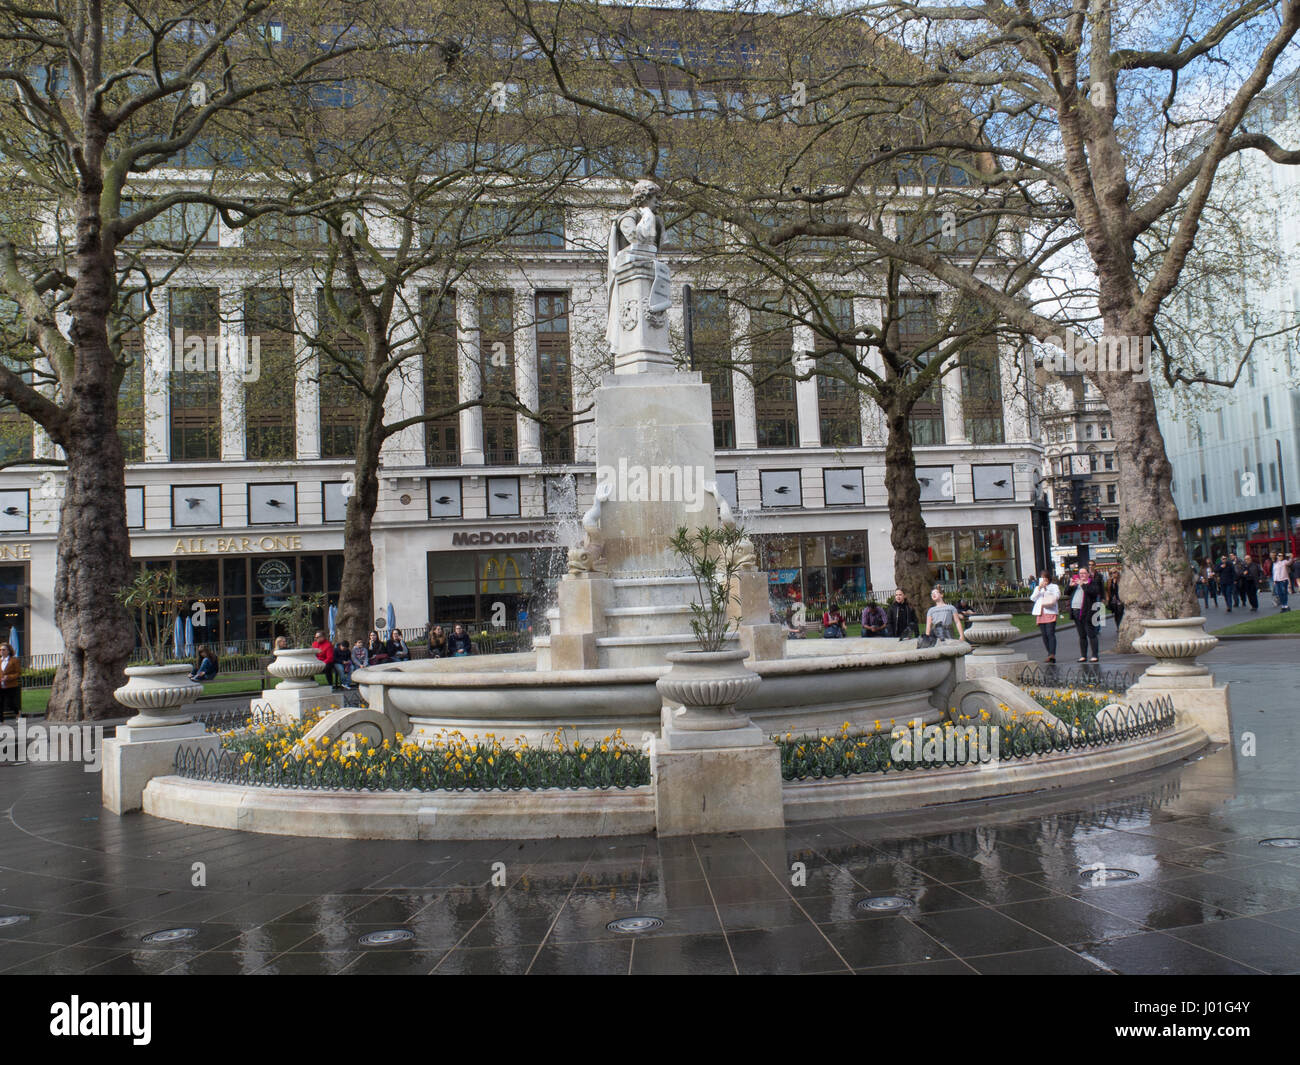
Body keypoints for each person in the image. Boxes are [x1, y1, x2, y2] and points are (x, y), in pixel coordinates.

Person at [1069, 566, 1104, 662]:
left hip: (1087, 612)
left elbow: (1093, 592)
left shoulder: (1092, 583)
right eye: (1080, 573)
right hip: (1076, 610)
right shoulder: (1076, 584)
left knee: (1091, 634)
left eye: (1084, 573)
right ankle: (1083, 655)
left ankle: (1095, 655)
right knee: (1081, 635)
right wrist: (1070, 586)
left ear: (1088, 574)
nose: (1082, 575)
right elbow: (1067, 592)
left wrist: (1083, 585)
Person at [1030, 569, 1061, 663]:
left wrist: (1047, 590)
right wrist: (1039, 588)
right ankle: (1049, 653)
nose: (1044, 579)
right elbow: (1033, 598)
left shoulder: (1054, 586)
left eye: (1045, 577)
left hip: (1050, 612)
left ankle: (1052, 654)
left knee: (1050, 633)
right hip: (1040, 613)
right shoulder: (1038, 588)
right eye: (1042, 577)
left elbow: (1057, 596)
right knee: (1044, 635)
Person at [0, 642, 20, 722]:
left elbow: (18, 673)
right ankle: (1, 721)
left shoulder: (14, 660)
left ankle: (17, 712)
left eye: (3, 649)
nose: (1, 651)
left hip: (11, 685)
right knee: (0, 703)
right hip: (1, 686)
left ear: (8, 651)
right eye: (0, 650)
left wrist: (8, 677)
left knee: (9, 703)